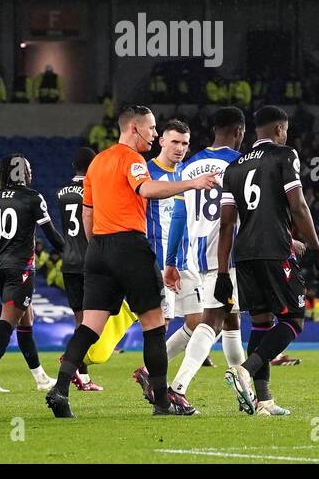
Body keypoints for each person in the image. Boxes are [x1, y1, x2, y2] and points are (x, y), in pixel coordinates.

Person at [44, 104, 220, 418]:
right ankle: (163, 403)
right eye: (152, 128)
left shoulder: (97, 162)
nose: (155, 134)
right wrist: (191, 183)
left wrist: (97, 246)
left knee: (89, 327)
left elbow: (88, 212)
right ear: (134, 128)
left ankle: (60, 389)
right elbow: (147, 188)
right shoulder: (132, 160)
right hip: (130, 247)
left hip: (97, 248)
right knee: (154, 327)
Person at [216, 105, 319, 416]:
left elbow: (227, 223)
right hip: (275, 250)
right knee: (294, 320)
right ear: (279, 130)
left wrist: (224, 271)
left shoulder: (234, 167)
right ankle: (244, 370)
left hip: (245, 254)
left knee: (262, 323)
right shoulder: (284, 155)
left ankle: (263, 401)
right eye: (286, 130)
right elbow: (299, 205)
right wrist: (317, 249)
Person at [163, 106, 249, 402]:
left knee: (231, 319)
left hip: (196, 256)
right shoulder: (240, 164)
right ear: (239, 132)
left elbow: (178, 216)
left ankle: (245, 390)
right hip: (228, 254)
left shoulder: (187, 167)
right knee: (212, 320)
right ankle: (178, 387)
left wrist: (170, 261)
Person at [0, 155, 66, 393]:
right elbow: (51, 235)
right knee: (8, 321)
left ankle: (41, 378)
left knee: (25, 320)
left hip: (0, 266)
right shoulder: (33, 198)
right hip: (21, 268)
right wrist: (74, 254)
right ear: (24, 173)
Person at [130, 118, 191, 401]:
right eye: (175, 142)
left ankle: (147, 371)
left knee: (198, 320)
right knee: (161, 324)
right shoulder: (147, 173)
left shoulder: (187, 174)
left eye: (185, 143)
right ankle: (160, 388)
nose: (180, 148)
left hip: (187, 260)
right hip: (158, 259)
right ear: (162, 141)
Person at [56, 147, 101, 391]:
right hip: (90, 260)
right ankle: (76, 369)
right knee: (92, 322)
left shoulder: (61, 192)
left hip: (69, 260)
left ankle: (81, 376)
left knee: (80, 320)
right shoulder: (92, 190)